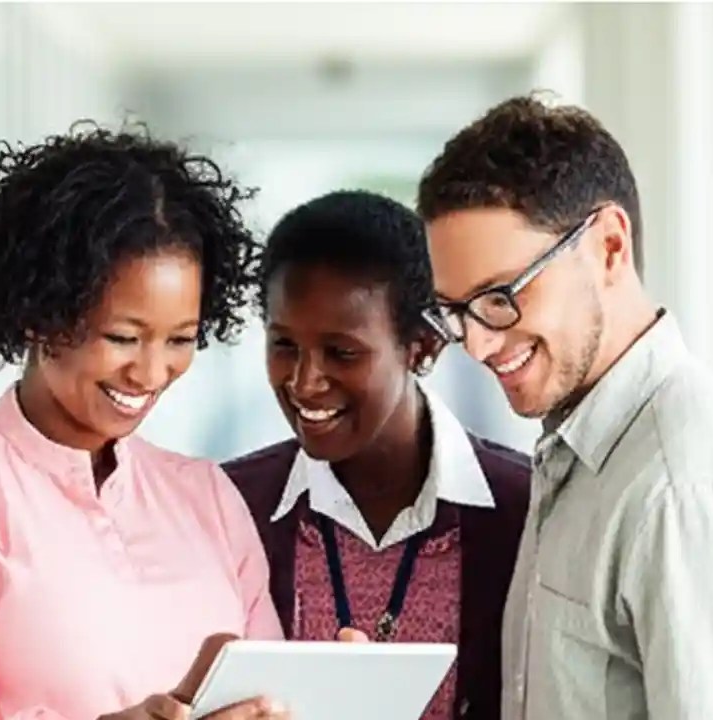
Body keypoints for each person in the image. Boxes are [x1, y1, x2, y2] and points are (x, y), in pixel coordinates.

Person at [0, 123, 289, 720]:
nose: (152, 371)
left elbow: (271, 705)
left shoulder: (206, 495)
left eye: (180, 339)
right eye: (123, 337)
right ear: (40, 314)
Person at [418, 95, 713, 719]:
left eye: (499, 296)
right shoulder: (581, 455)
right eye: (456, 311)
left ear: (609, 246)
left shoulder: (689, 491)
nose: (475, 342)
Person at [223, 190, 532, 720]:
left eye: (341, 352)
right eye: (284, 346)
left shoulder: (525, 507)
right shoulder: (231, 504)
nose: (303, 382)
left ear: (422, 347)